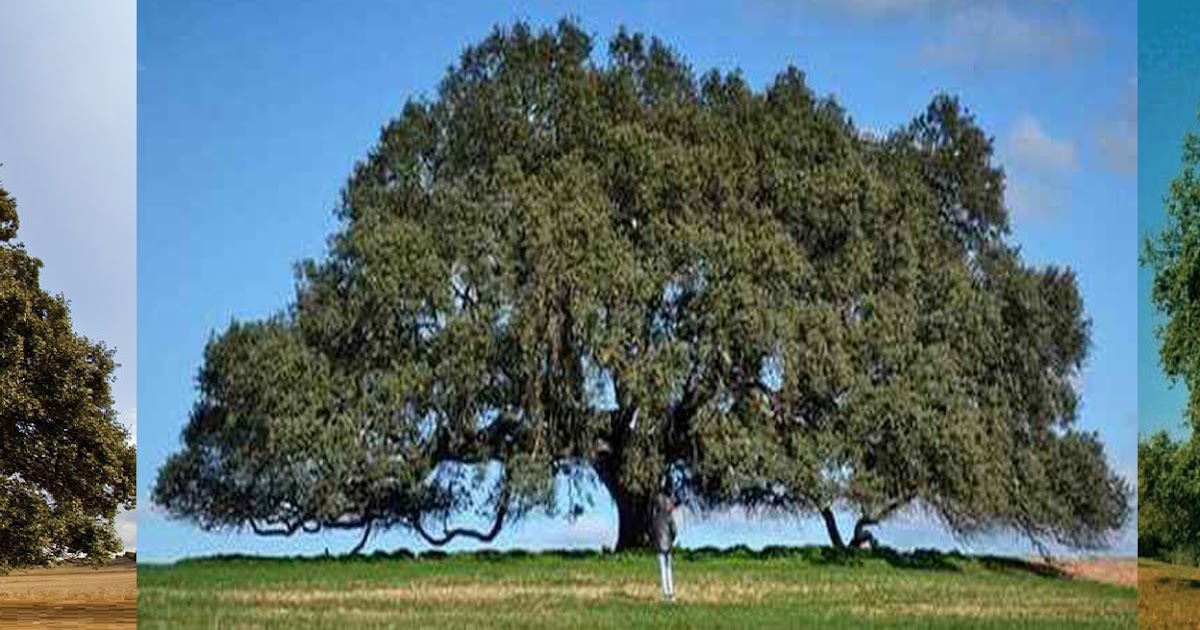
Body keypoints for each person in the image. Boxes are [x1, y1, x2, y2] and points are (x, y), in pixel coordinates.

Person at [651, 489, 677, 602]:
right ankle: (671, 593)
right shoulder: (669, 516)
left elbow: (653, 532)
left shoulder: (655, 518)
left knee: (662, 570)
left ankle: (665, 593)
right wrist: (671, 540)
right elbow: (674, 530)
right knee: (669, 569)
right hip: (668, 546)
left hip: (659, 547)